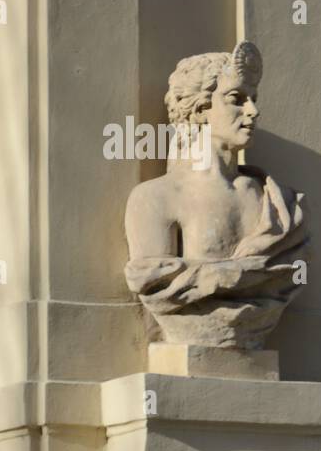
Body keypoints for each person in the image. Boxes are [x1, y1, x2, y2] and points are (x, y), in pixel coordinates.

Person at [124, 41, 308, 349]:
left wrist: (218, 275)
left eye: (254, 99)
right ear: (200, 109)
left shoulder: (278, 204)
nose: (253, 110)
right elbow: (152, 281)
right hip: (188, 338)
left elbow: (291, 272)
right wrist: (237, 275)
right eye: (237, 99)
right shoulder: (155, 199)